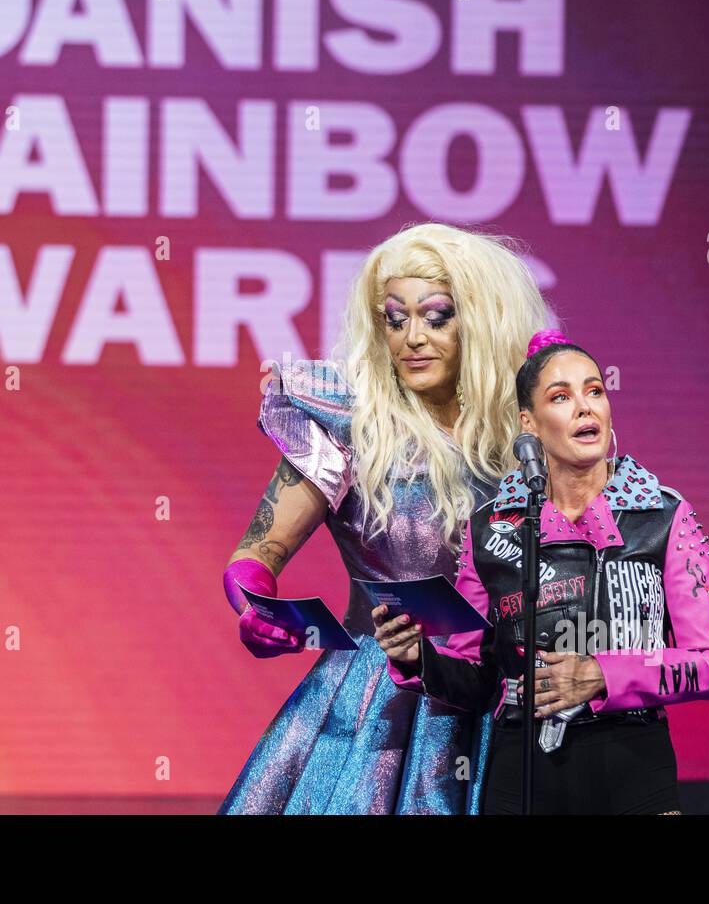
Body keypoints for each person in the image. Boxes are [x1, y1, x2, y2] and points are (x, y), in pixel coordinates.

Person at [218, 223, 549, 814]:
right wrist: (255, 606)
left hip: (507, 695)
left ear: (481, 323)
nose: (411, 338)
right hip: (377, 701)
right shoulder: (350, 424)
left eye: (436, 317)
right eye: (395, 320)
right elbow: (257, 557)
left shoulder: (527, 435)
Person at [375, 330, 709, 814]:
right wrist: (416, 658)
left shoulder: (664, 517)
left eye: (595, 391)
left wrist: (601, 676)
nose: (585, 408)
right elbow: (477, 680)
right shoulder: (489, 531)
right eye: (561, 397)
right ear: (529, 423)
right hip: (521, 773)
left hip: (633, 769)